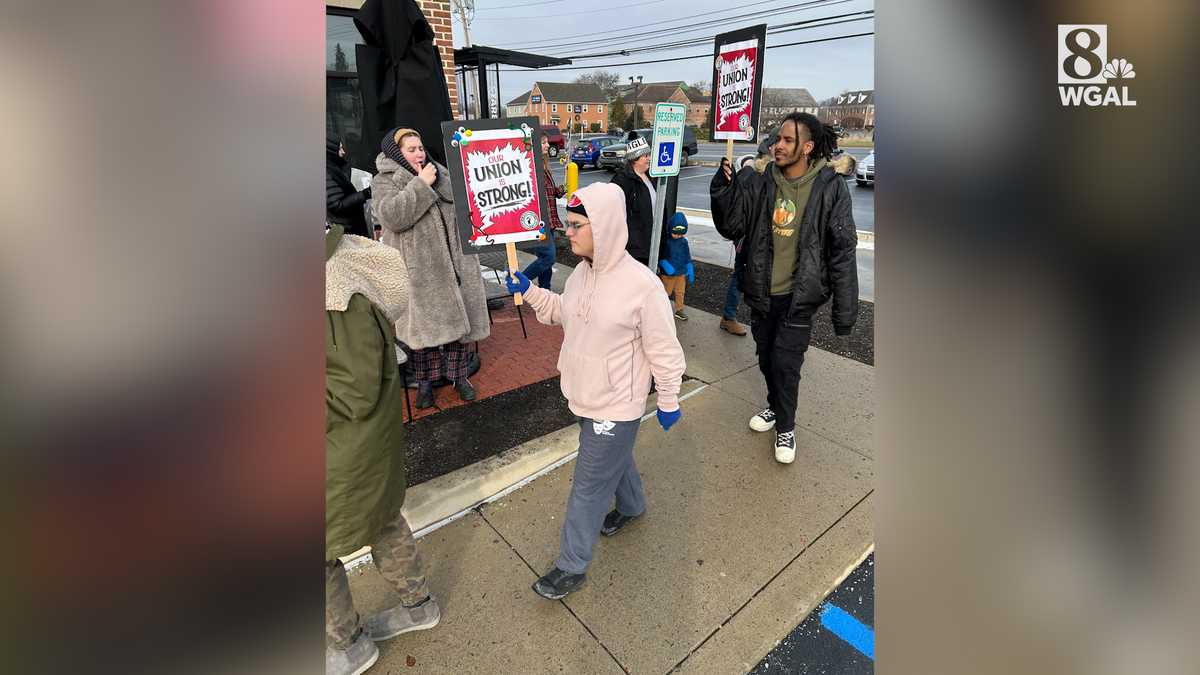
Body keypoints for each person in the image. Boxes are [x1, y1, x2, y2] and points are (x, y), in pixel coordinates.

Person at [504, 183, 686, 600]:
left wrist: (670, 398)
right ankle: (633, 506)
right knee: (612, 462)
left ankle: (571, 565)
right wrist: (529, 291)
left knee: (588, 485)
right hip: (582, 394)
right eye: (567, 225)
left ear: (602, 228)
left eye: (576, 226)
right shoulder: (581, 275)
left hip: (616, 406)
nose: (567, 232)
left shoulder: (643, 287)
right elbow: (561, 314)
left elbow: (664, 349)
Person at [709, 112, 859, 464]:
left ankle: (786, 426)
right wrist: (723, 189)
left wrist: (845, 311)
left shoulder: (829, 186)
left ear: (807, 147)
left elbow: (842, 249)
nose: (778, 145)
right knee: (765, 358)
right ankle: (776, 407)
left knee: (785, 364)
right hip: (763, 292)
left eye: (788, 140)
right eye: (777, 139)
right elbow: (732, 227)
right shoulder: (760, 180)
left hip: (799, 297)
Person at [324, 224, 440, 675]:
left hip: (340, 446)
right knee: (384, 518)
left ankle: (349, 645)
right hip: (360, 443)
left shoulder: (330, 287)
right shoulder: (334, 269)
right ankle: (418, 606)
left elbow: (351, 389)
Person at [372, 127, 490, 409]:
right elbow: (392, 217)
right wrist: (421, 185)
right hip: (419, 274)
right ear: (396, 153)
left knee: (458, 332)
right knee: (422, 338)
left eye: (420, 148)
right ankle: (424, 384)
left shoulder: (440, 173)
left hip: (455, 267)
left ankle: (459, 377)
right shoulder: (384, 181)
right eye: (411, 149)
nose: (419, 154)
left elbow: (464, 205)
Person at [609, 132, 665, 268]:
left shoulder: (651, 177)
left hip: (651, 244)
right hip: (634, 250)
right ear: (635, 158)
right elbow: (614, 214)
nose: (649, 158)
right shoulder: (622, 181)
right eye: (645, 156)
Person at [522, 134, 567, 289]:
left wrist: (565, 187)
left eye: (547, 142)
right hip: (540, 222)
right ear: (534, 145)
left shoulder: (543, 166)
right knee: (548, 258)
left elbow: (551, 192)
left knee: (544, 258)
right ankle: (520, 282)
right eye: (543, 142)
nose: (548, 145)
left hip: (550, 221)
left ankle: (544, 289)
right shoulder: (530, 167)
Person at [327, 133, 373, 239]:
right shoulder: (326, 172)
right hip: (343, 233)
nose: (343, 152)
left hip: (346, 230)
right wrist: (365, 194)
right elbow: (337, 205)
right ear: (330, 150)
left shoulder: (333, 169)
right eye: (339, 149)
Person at [658, 212, 694, 321]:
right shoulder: (666, 242)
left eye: (682, 234)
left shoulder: (684, 242)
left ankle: (679, 310)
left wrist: (689, 266)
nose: (679, 236)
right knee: (666, 292)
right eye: (676, 233)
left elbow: (687, 255)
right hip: (669, 274)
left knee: (680, 292)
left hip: (681, 273)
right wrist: (664, 264)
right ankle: (660, 309)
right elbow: (661, 256)